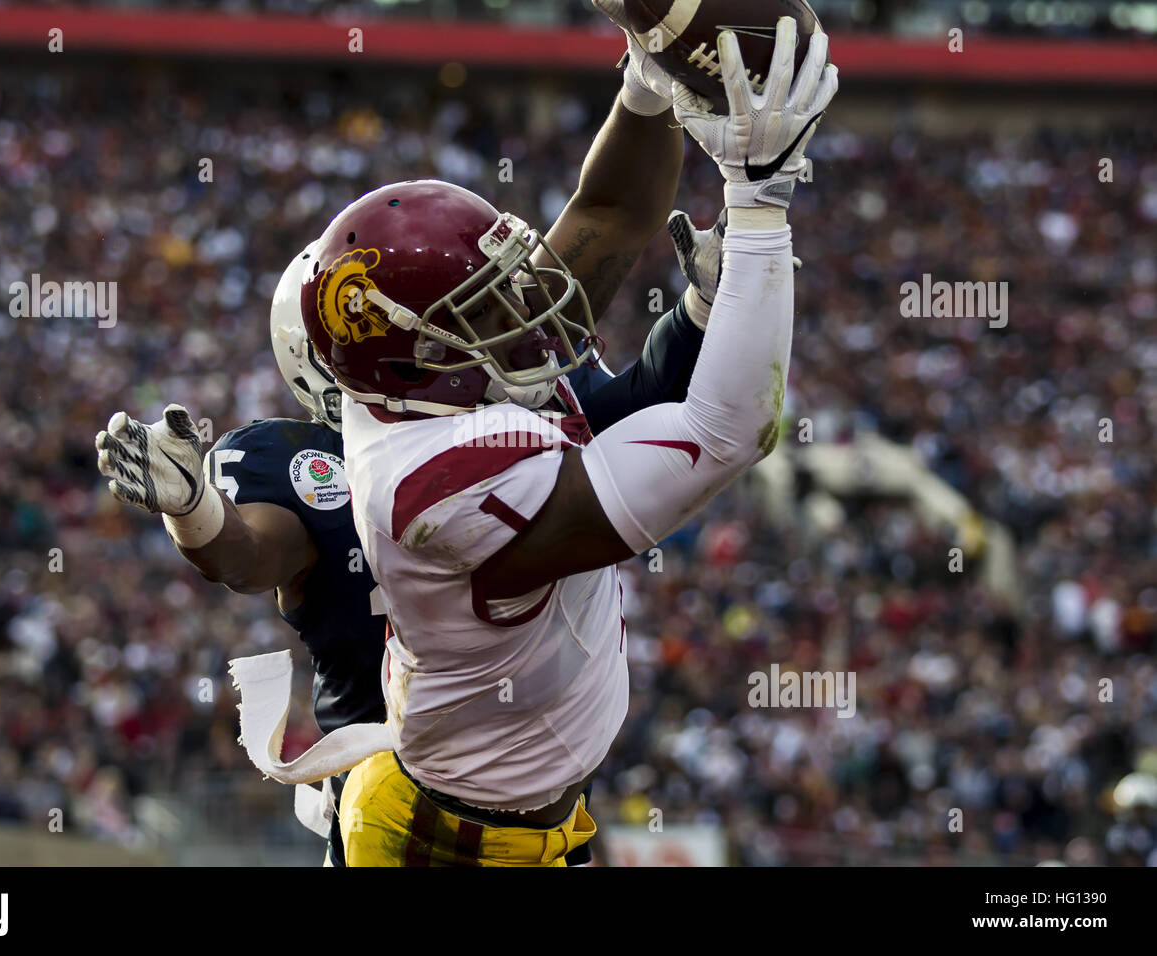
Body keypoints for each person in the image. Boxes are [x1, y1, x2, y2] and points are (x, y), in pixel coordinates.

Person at [295, 17, 837, 866]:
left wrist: (650, 75)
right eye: (487, 302)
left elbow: (612, 213)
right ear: (424, 353)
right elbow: (728, 433)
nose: (522, 302)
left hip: (524, 814)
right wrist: (761, 199)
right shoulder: (435, 487)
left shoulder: (429, 382)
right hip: (444, 846)